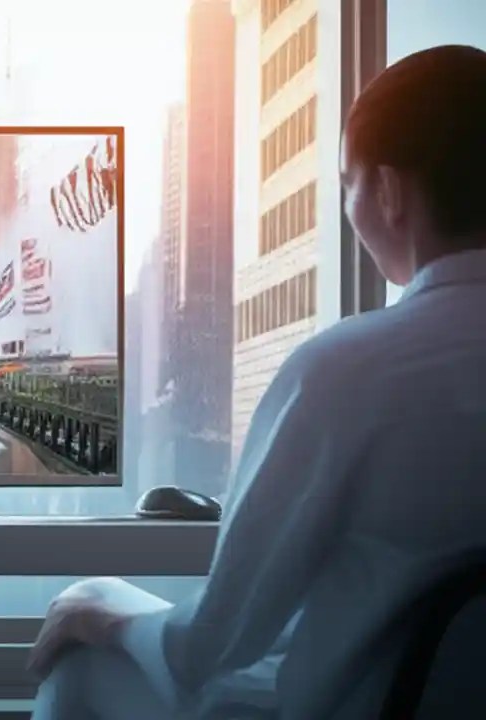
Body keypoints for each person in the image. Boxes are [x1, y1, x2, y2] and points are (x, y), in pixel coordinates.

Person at [29, 44, 486, 719]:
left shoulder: (345, 373)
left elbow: (208, 647)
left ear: (387, 193)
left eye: (345, 184)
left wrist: (97, 601)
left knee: (79, 669)